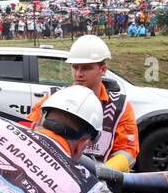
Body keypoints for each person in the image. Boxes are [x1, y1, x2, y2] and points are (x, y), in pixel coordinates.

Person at [26, 35, 138, 173]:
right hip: (53, 176)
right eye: (75, 67)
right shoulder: (53, 99)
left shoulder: (119, 108)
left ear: (103, 70)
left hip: (100, 186)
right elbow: (28, 136)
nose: (78, 74)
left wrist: (103, 174)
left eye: (86, 68)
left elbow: (127, 151)